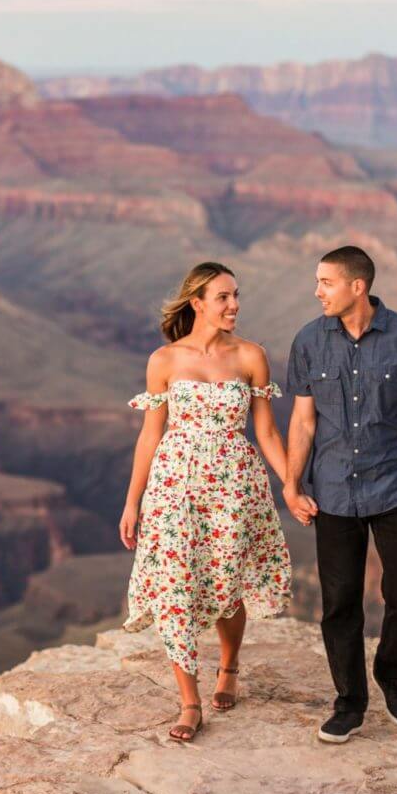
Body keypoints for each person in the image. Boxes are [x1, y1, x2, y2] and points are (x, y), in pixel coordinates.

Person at [282, 245, 397, 744]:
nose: (317, 292)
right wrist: (291, 484)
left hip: (396, 484)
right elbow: (303, 420)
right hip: (334, 490)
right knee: (339, 602)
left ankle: (392, 675)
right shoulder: (308, 341)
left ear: (357, 287)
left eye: (326, 282)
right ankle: (349, 702)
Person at [120, 261, 294, 742]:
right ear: (197, 303)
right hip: (174, 487)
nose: (234, 305)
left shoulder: (251, 356)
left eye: (236, 295)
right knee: (175, 585)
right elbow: (150, 435)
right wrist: (133, 502)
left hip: (235, 485)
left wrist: (291, 485)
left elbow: (266, 431)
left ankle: (229, 666)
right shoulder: (164, 360)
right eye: (223, 297)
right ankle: (189, 702)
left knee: (226, 579)